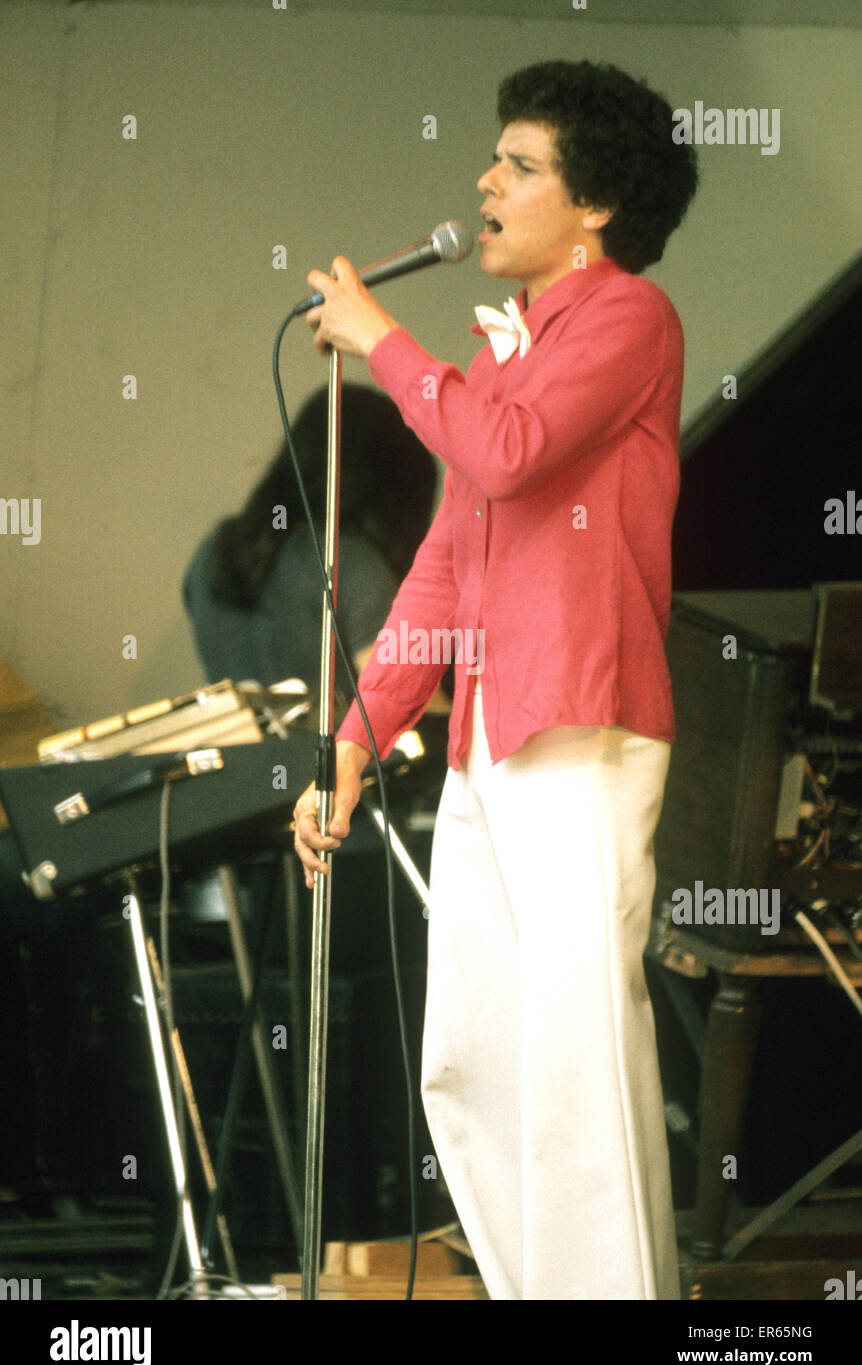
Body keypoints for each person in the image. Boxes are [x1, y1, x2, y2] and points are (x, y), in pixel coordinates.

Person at [292, 59, 699, 1300]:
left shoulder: (631, 316)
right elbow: (443, 570)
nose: (484, 180)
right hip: (488, 742)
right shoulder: (507, 359)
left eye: (519, 166)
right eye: (495, 158)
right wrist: (357, 735)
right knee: (475, 1060)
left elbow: (505, 456)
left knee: (574, 1063)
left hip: (577, 730)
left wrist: (385, 344)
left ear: (596, 211)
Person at [182, 382, 438, 704]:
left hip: (242, 753)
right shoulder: (353, 565)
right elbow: (404, 704)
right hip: (344, 755)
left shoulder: (209, 557)